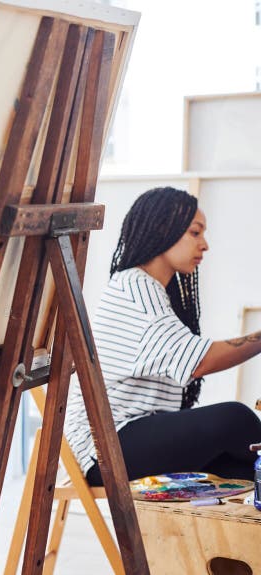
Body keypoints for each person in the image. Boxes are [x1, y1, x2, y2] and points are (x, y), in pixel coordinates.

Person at [64, 187, 261, 487]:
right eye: (195, 233)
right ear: (162, 228)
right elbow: (198, 362)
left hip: (124, 436)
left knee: (244, 469)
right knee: (234, 419)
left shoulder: (154, 290)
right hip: (103, 444)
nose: (204, 244)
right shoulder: (135, 286)